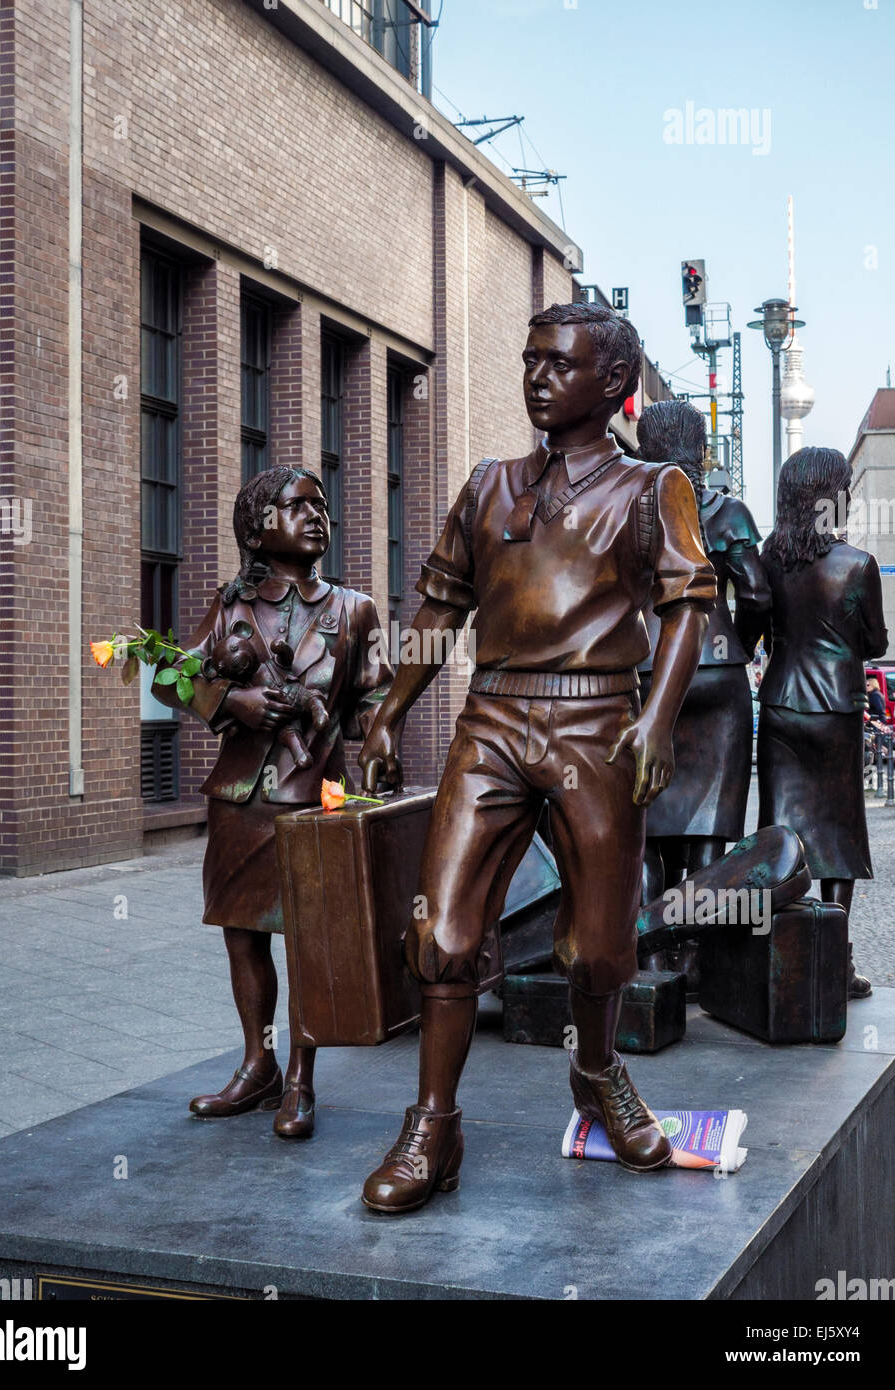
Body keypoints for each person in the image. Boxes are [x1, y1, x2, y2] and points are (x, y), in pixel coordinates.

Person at [357, 301, 716, 1213]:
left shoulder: (650, 488)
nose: (537, 377)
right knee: (439, 930)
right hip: (492, 718)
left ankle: (595, 1075)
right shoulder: (488, 484)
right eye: (529, 361)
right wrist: (389, 712)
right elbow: (440, 607)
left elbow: (686, 607)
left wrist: (660, 719)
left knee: (598, 948)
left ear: (613, 385)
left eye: (559, 363)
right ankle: (432, 1124)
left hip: (598, 722)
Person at [155, 467, 392, 1136]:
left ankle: (300, 1081)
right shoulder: (231, 605)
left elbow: (374, 699)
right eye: (297, 506)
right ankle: (256, 1064)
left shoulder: (354, 610)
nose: (317, 516)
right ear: (260, 528)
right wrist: (234, 699)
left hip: (316, 796)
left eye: (322, 506)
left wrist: (379, 734)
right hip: (240, 798)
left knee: (311, 941)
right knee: (243, 932)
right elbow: (172, 678)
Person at [636, 401, 769, 992]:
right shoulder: (727, 512)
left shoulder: (626, 509)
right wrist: (737, 644)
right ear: (700, 447)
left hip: (646, 670)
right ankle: (696, 958)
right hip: (718, 673)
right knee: (710, 829)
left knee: (642, 821)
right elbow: (758, 592)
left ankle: (650, 955)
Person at [750, 447, 886, 1001]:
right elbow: (875, 643)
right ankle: (835, 959)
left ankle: (781, 957)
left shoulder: (769, 558)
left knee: (782, 834)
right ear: (833, 495)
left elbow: (755, 628)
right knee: (840, 836)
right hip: (836, 712)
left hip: (781, 704)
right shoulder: (856, 565)